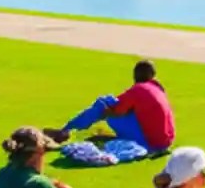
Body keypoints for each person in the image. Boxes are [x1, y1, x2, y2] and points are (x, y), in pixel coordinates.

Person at [47, 60, 175, 152]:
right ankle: (67, 129)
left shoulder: (137, 90)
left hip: (151, 143)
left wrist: (106, 112)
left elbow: (116, 110)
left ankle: (66, 130)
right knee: (110, 105)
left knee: (105, 102)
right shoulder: (157, 88)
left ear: (135, 76)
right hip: (165, 142)